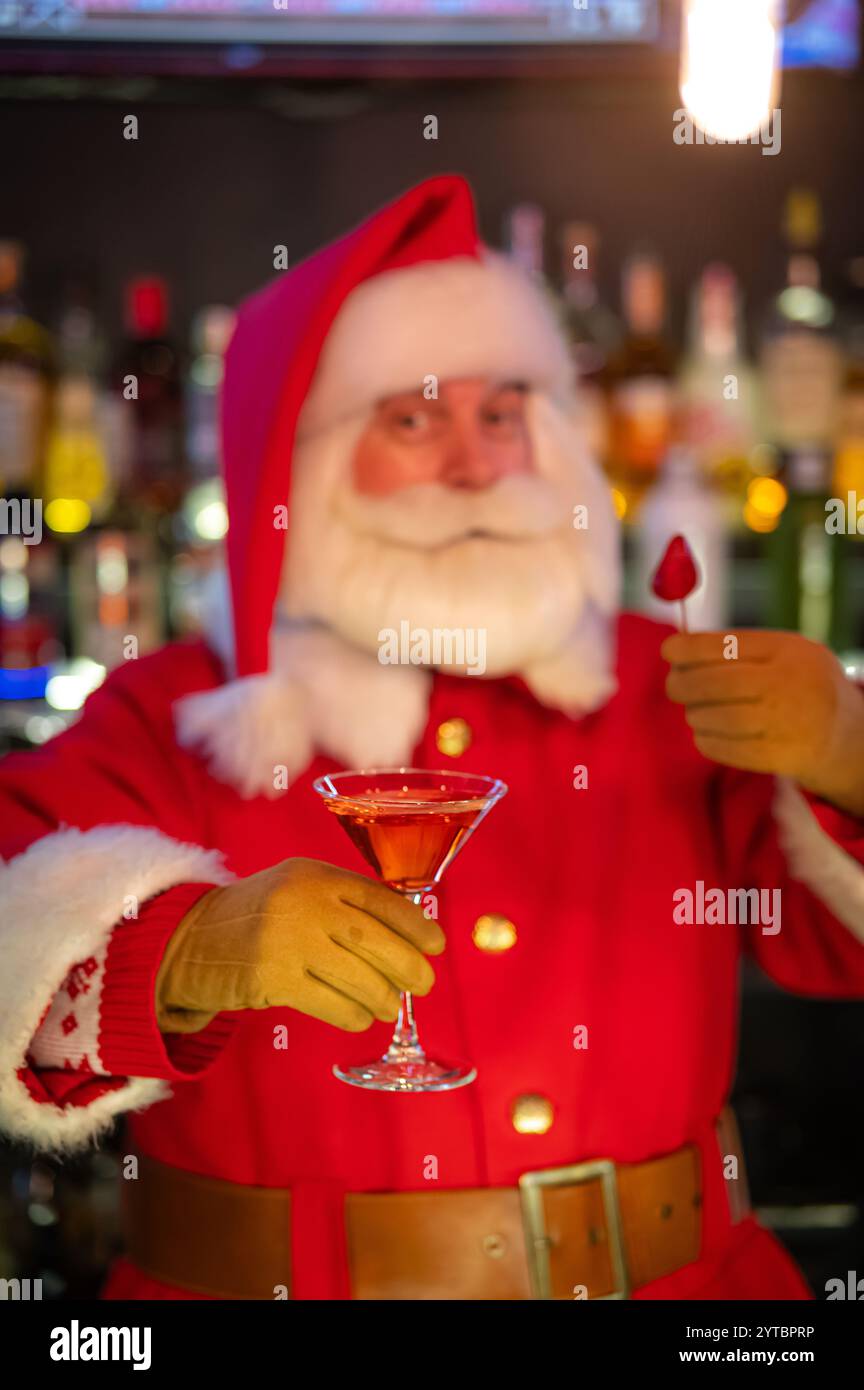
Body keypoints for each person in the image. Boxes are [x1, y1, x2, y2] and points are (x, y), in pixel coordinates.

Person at [1, 176, 863, 1301]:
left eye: (501, 415)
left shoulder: (675, 680)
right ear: (300, 459)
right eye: (413, 418)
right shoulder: (175, 711)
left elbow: (834, 945)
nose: (474, 464)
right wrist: (192, 947)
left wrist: (847, 748)